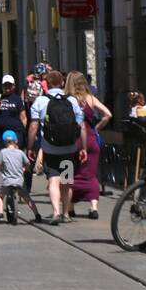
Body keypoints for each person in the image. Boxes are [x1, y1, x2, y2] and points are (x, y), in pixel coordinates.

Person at [27, 68, 86, 224]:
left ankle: (56, 213)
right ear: (61, 83)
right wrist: (83, 147)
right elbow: (81, 125)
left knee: (53, 180)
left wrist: (30, 146)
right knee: (66, 182)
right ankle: (66, 214)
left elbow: (33, 127)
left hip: (50, 149)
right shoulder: (72, 101)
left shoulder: (40, 101)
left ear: (47, 83)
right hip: (69, 148)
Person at [66, 70, 112, 219]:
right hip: (91, 139)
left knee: (69, 173)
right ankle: (93, 207)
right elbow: (108, 114)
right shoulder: (90, 98)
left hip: (73, 140)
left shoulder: (68, 99)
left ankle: (69, 207)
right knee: (90, 174)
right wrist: (96, 128)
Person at [0, 129, 42, 223]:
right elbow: (27, 164)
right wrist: (25, 169)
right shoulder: (20, 153)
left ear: (4, 142)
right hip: (19, 182)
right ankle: (37, 215)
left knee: (0, 195)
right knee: (27, 198)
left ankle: (0, 214)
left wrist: (0, 169)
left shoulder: (3, 152)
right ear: (16, 141)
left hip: (7, 182)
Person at [0, 75, 27, 147]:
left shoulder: (17, 99)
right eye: (5, 85)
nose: (7, 86)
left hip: (16, 132)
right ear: (2, 86)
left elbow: (23, 116)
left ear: (14, 86)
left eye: (9, 84)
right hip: (1, 132)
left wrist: (25, 132)